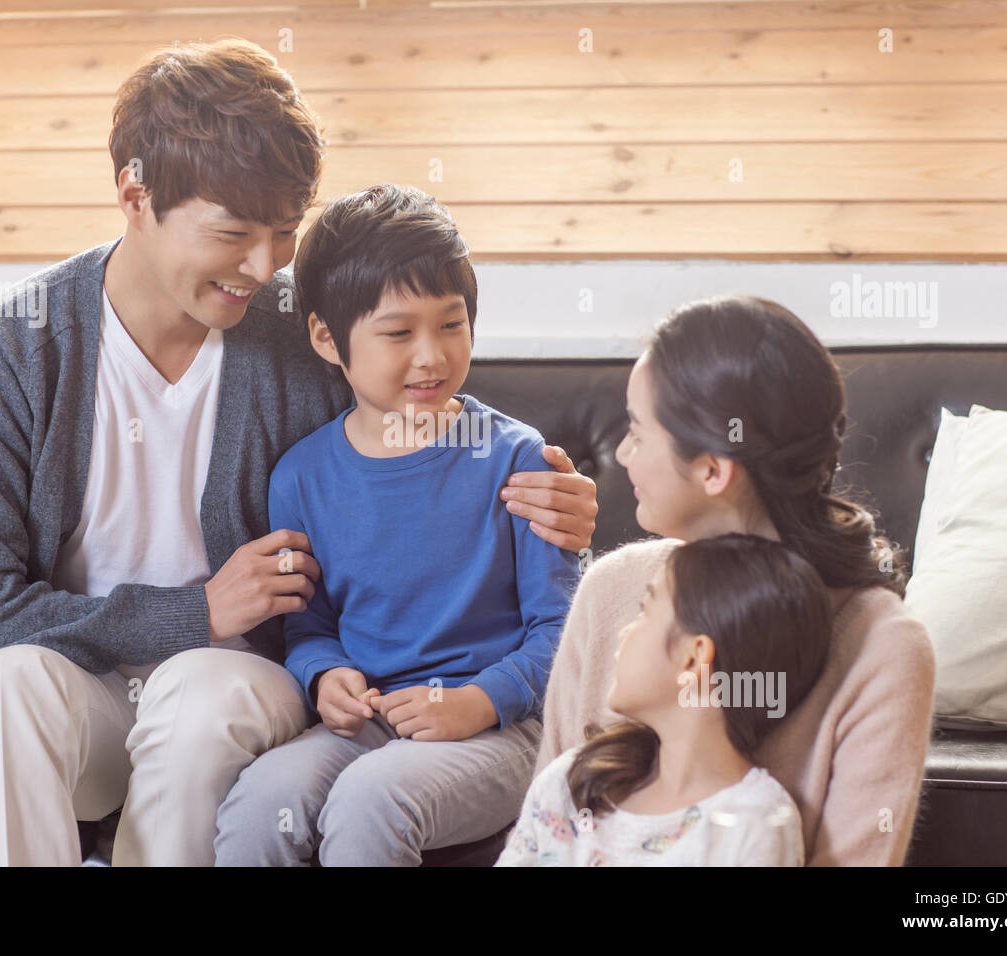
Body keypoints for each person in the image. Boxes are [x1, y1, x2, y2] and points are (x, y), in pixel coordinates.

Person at [0, 39, 597, 867]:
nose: (264, 267)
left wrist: (543, 492)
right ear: (136, 193)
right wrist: (194, 611)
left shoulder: (296, 334)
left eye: (283, 233)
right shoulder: (12, 354)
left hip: (241, 691)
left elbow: (421, 412)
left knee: (203, 694)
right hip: (77, 702)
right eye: (235, 234)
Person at [211, 184, 581, 866]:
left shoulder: (517, 459)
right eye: (398, 332)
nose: (432, 356)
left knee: (370, 802)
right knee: (261, 802)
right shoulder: (301, 475)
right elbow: (310, 625)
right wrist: (324, 678)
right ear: (327, 337)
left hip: (501, 729)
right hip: (371, 724)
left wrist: (475, 702)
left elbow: (563, 633)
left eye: (451, 323)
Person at [535, 293, 936, 866]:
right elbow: (549, 828)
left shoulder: (882, 645)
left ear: (712, 469)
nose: (622, 452)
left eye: (638, 431)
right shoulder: (611, 590)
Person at [497, 534, 831, 866]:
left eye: (644, 611)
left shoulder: (755, 826)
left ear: (693, 657)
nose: (625, 631)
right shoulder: (572, 780)